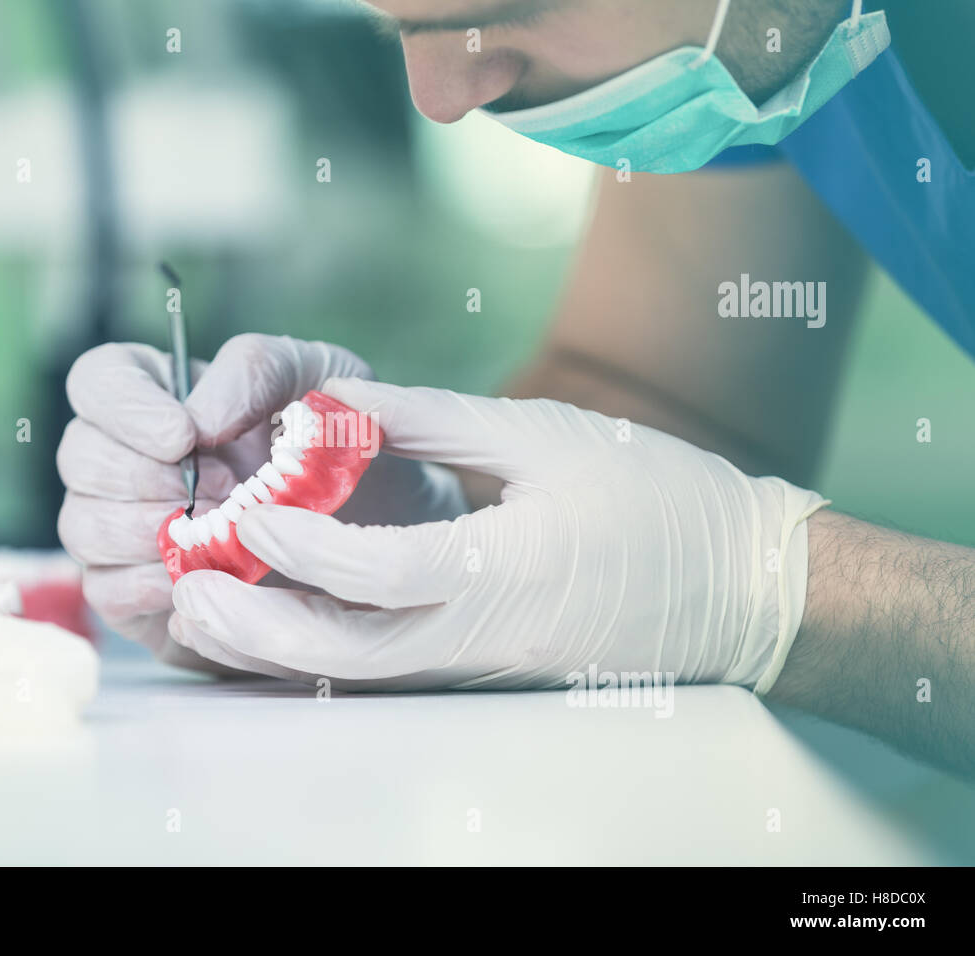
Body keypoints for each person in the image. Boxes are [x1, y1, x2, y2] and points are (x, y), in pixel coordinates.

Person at [57, 0, 975, 777]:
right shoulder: (752, 49)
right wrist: (417, 533)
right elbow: (676, 401)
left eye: (503, 5)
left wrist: (788, 594)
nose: (439, 99)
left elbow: (733, 561)